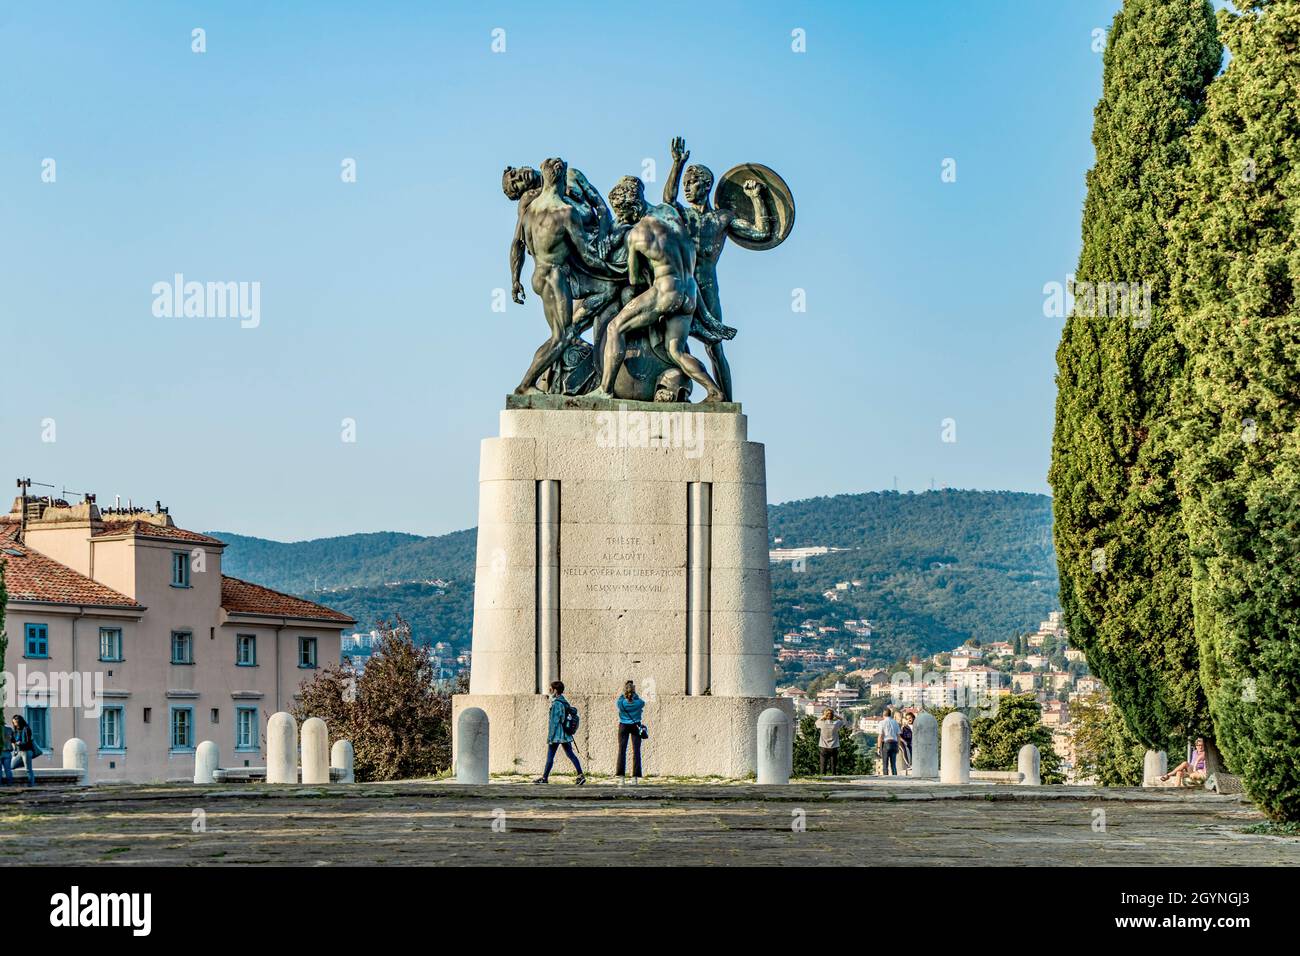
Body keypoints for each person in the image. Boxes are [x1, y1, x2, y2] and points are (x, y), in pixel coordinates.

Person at [534, 680, 586, 785]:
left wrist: (550, 737)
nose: (549, 691)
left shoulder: (557, 704)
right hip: (565, 735)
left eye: (550, 689)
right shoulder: (564, 701)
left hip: (557, 735)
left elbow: (554, 722)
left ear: (555, 690)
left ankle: (544, 778)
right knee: (571, 754)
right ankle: (580, 775)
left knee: (550, 756)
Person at [616, 680, 646, 785]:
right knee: (636, 751)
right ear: (634, 691)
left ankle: (621, 778)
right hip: (635, 726)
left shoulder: (621, 703)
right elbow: (642, 702)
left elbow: (619, 700)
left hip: (623, 726)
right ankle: (635, 778)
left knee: (622, 751)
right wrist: (635, 695)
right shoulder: (638, 703)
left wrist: (623, 693)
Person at [814, 708, 845, 775]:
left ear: (825, 715)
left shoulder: (822, 724)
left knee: (823, 764)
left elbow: (816, 723)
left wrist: (824, 716)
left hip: (824, 747)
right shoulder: (836, 724)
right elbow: (843, 720)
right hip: (834, 746)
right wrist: (835, 715)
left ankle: (822, 777)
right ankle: (834, 776)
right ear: (832, 716)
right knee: (833, 765)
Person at [10, 715, 37, 786]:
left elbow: (28, 742)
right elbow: (13, 741)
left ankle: (31, 785)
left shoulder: (26, 729)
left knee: (28, 769)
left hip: (27, 751)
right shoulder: (15, 730)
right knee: (12, 766)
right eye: (13, 722)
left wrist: (20, 743)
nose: (14, 724)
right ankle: (25, 763)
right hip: (19, 752)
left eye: (15, 722)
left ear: (19, 721)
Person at [879, 707, 901, 776]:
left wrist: (878, 747)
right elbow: (898, 736)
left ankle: (886, 778)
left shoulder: (882, 722)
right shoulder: (895, 722)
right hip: (894, 743)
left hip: (886, 743)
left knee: (885, 764)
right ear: (890, 714)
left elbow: (880, 736)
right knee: (893, 764)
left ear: (883, 715)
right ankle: (895, 777)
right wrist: (898, 746)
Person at [1, 721, 14, 785]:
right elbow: (13, 740)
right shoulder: (9, 729)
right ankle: (10, 783)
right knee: (8, 769)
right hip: (8, 752)